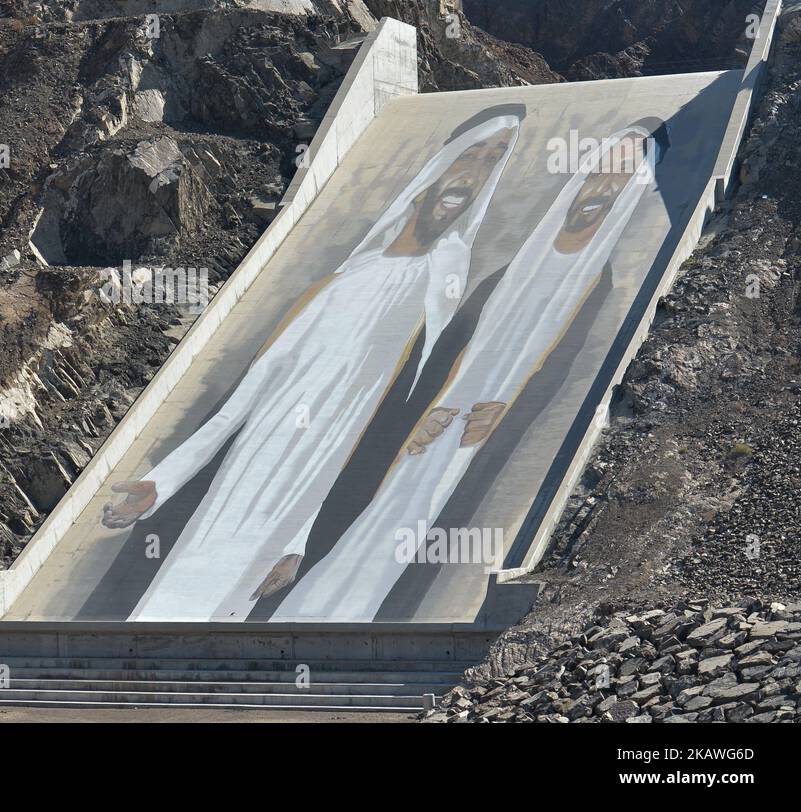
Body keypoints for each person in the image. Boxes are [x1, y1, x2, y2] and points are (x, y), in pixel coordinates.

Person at [100, 106, 526, 621]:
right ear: (437, 168)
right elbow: (241, 405)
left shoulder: (441, 288)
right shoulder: (336, 282)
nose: (476, 170)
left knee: (242, 606)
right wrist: (160, 484)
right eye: (471, 153)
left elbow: (382, 425)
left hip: (317, 479)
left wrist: (301, 539)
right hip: (253, 460)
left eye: (494, 160)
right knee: (180, 590)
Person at [273, 120, 668, 622]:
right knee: (368, 524)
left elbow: (568, 380)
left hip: (474, 448)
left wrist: (507, 414)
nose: (602, 186)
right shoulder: (503, 276)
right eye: (597, 172)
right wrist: (426, 411)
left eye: (622, 175)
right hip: (428, 434)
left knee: (419, 540)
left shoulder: (598, 286)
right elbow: (434, 360)